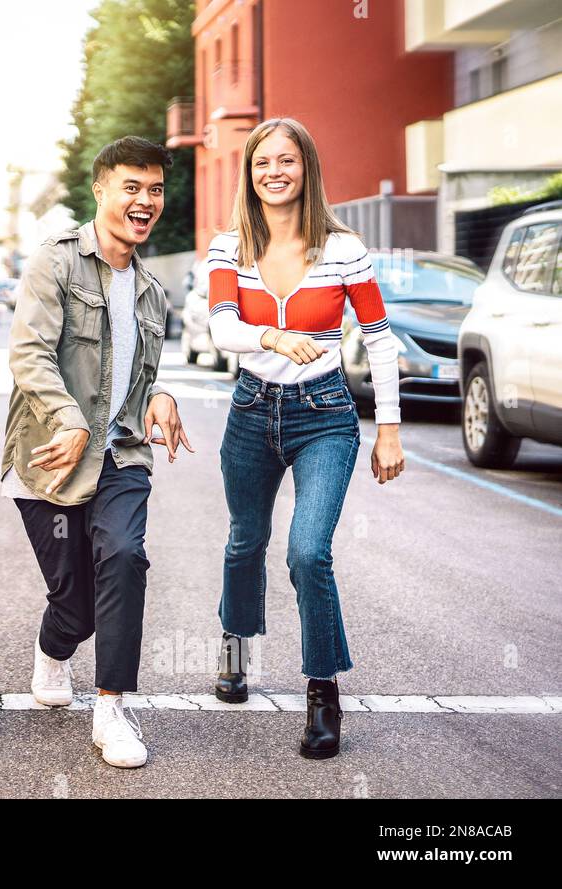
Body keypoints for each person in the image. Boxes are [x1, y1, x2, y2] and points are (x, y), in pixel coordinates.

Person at [206, 117, 404, 760]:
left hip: (324, 415)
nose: (274, 172)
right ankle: (235, 651)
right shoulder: (226, 248)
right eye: (262, 163)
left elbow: (378, 338)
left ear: (306, 168)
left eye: (286, 161)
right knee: (245, 540)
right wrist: (269, 337)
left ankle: (323, 692)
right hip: (251, 411)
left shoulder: (345, 250)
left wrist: (390, 430)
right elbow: (221, 328)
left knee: (307, 553)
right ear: (250, 173)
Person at [4, 135, 191, 769]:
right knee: (75, 608)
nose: (145, 202)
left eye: (155, 190)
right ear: (101, 191)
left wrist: (159, 395)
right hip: (50, 456)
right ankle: (54, 651)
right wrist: (69, 420)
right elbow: (29, 354)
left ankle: (111, 708)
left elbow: (139, 376)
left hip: (121, 456)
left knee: (125, 556)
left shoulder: (152, 292)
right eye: (132, 188)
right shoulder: (54, 264)